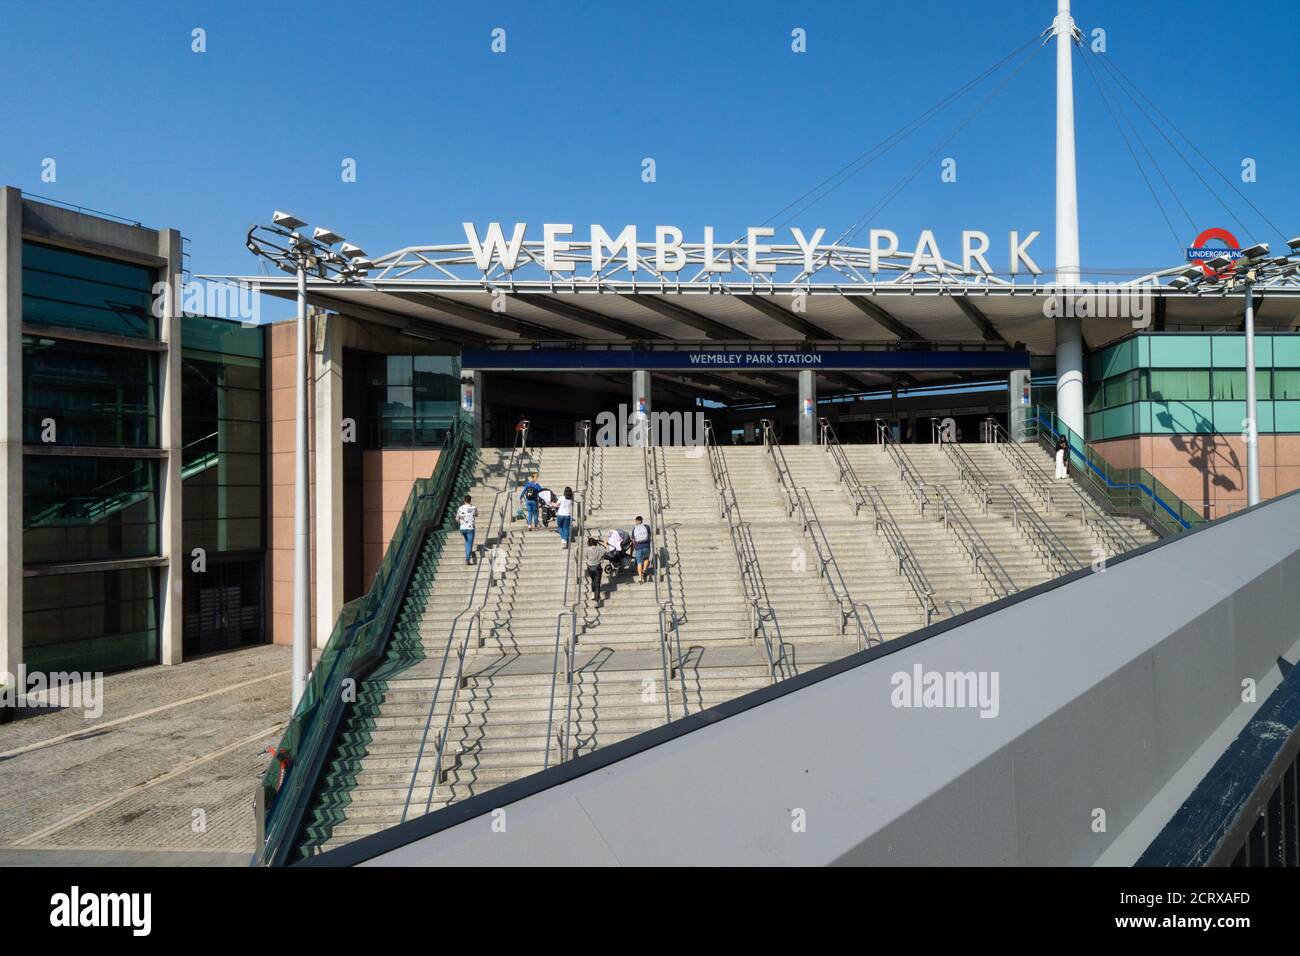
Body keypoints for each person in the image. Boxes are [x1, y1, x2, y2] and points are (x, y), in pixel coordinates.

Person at [455, 494, 477, 564]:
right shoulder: (473, 507)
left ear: (464, 500)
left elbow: (457, 519)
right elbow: (476, 515)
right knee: (469, 543)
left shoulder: (460, 508)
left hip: (463, 528)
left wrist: (461, 521)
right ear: (470, 500)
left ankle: (468, 553)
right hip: (470, 528)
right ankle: (467, 559)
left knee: (467, 541)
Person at [584, 536, 605, 606]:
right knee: (597, 584)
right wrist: (605, 544)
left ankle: (593, 594)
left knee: (593, 580)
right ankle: (597, 601)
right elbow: (606, 552)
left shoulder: (587, 549)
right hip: (597, 567)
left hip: (590, 567)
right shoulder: (600, 549)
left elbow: (586, 556)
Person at [631, 515, 652, 583]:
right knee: (646, 558)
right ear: (642, 521)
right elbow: (649, 536)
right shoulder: (647, 527)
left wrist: (635, 547)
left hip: (638, 547)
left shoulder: (634, 529)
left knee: (639, 563)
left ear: (637, 521)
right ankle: (645, 569)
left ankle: (640, 578)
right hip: (646, 546)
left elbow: (633, 540)